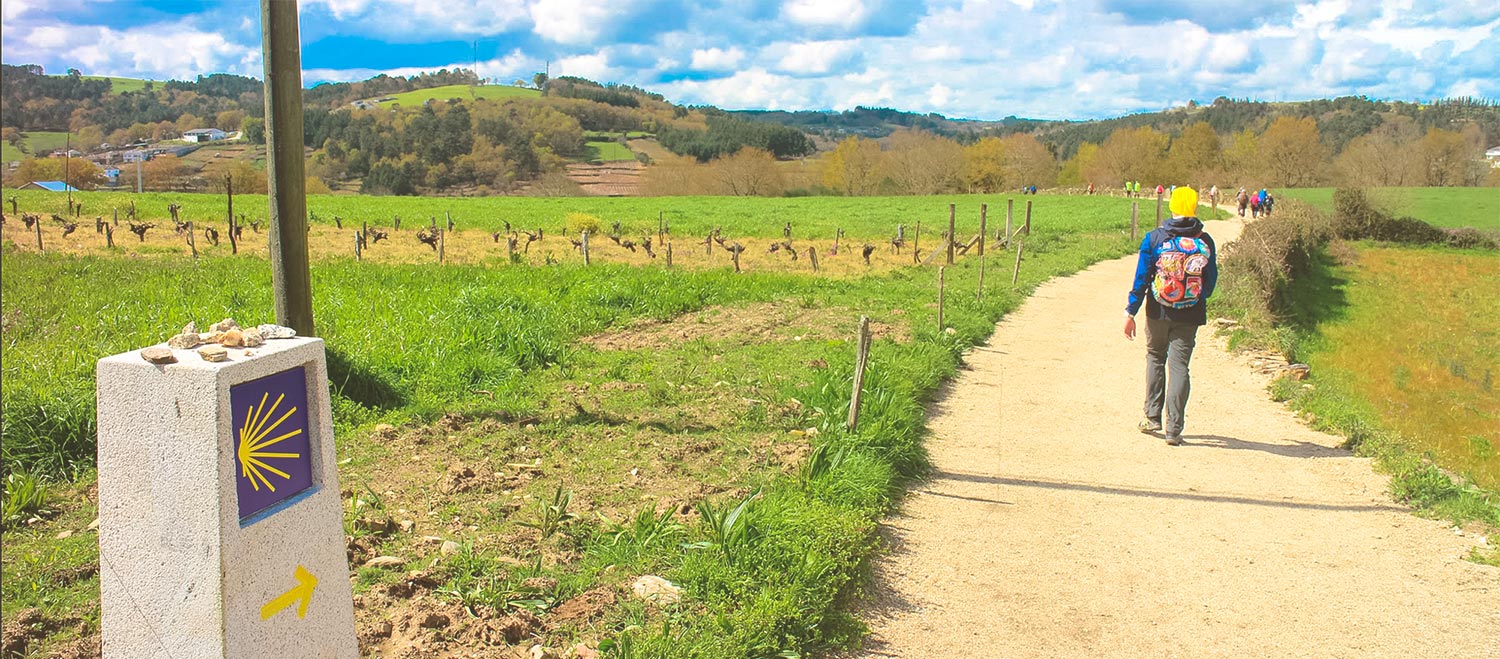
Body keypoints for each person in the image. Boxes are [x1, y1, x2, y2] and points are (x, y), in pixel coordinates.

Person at [1123, 186, 1218, 446]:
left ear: (1172, 206)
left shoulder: (1155, 238)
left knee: (1155, 357)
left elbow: (1142, 278)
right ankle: (1174, 430)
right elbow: (1209, 284)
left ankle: (1152, 417)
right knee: (1179, 367)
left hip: (1158, 310)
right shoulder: (1205, 240)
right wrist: (1195, 295)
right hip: (1191, 313)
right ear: (1195, 207)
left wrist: (1131, 310)